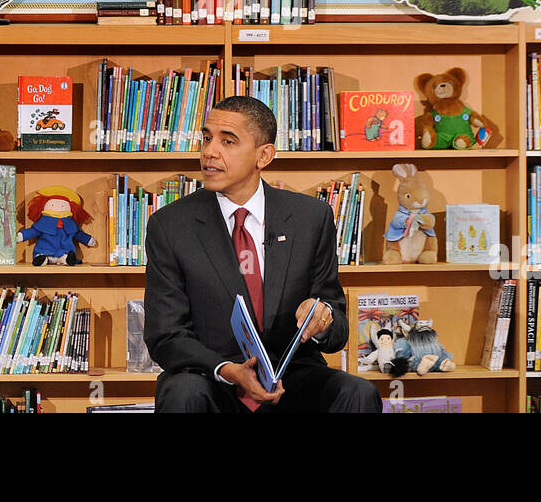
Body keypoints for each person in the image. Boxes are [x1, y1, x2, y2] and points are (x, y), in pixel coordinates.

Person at [143, 95, 381, 413]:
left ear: (263, 155)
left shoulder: (311, 218)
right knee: (183, 392)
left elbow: (337, 328)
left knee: (358, 392)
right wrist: (228, 370)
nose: (209, 151)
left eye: (228, 141)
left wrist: (323, 318)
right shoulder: (170, 225)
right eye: (206, 138)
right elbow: (166, 335)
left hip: (292, 379)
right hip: (213, 379)